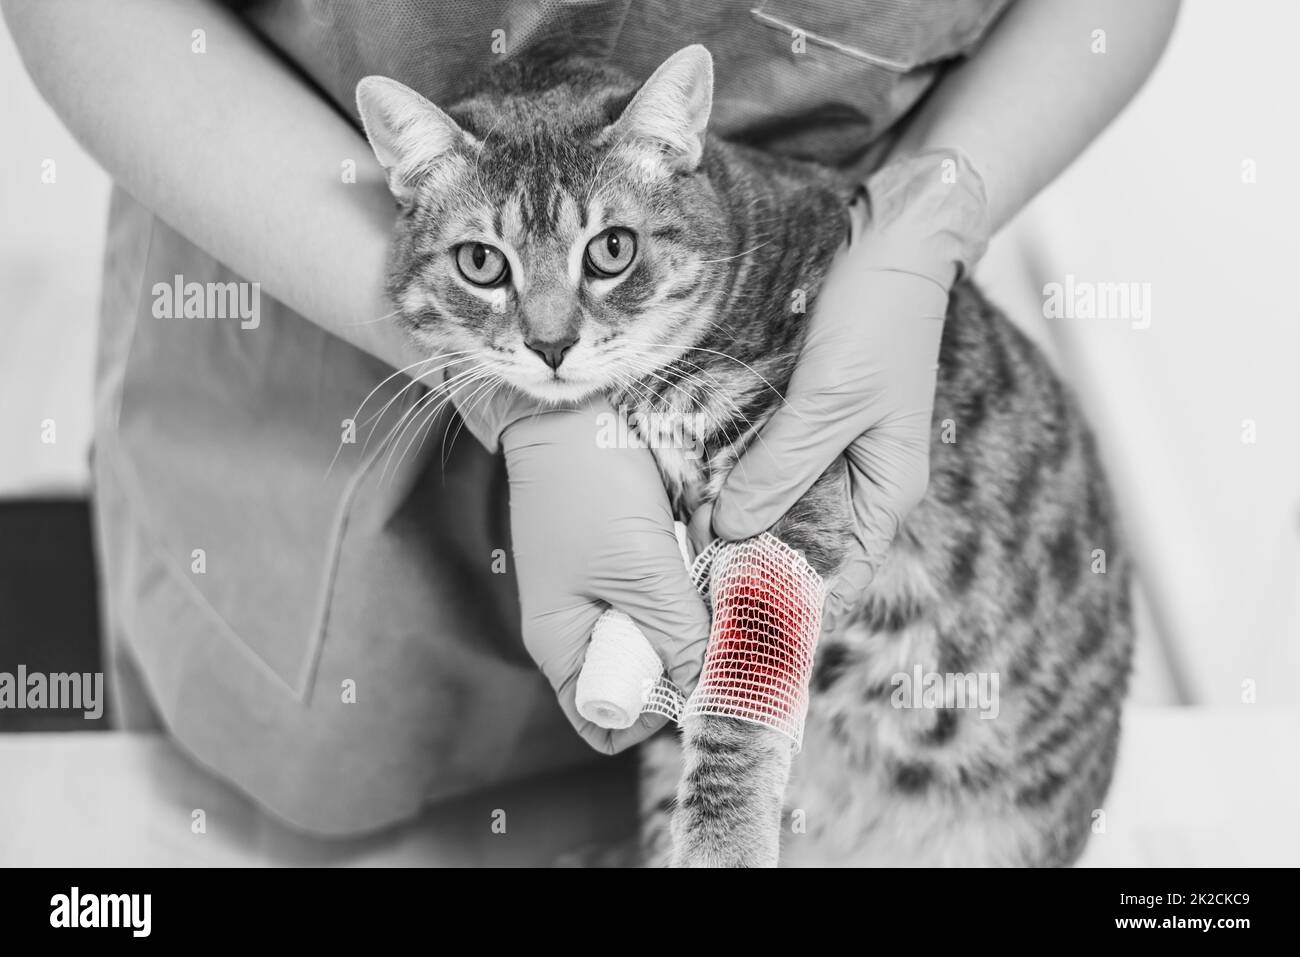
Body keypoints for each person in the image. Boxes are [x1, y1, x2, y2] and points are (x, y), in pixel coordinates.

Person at [2, 0, 1178, 836]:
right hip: (311, 380)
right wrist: (520, 406)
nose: (555, 334)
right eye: (502, 273)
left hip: (797, 317)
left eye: (602, 256)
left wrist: (935, 206)